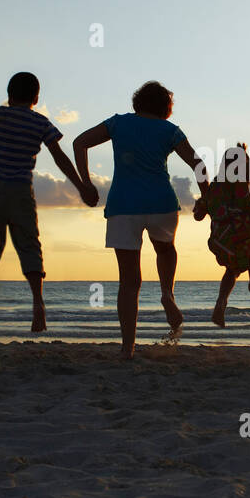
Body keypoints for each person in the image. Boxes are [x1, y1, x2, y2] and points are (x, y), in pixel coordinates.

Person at [73, 81, 208, 359]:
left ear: (137, 102)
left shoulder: (118, 124)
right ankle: (167, 293)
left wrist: (85, 183)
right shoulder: (170, 130)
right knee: (165, 249)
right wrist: (205, 198)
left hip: (124, 206)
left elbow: (79, 142)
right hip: (161, 203)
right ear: (166, 108)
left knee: (129, 281)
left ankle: (127, 347)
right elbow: (199, 164)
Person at [0, 71, 94, 334]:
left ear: (8, 95)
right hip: (22, 192)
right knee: (30, 246)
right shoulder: (41, 123)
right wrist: (82, 187)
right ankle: (38, 305)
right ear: (36, 98)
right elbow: (60, 158)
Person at [192, 144, 250, 327]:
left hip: (223, 240)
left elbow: (198, 215)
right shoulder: (241, 179)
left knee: (232, 269)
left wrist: (201, 207)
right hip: (244, 232)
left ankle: (221, 303)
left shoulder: (213, 187)